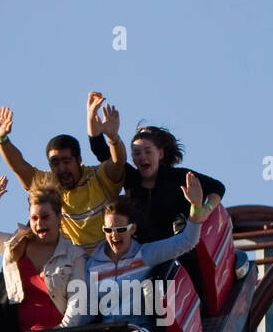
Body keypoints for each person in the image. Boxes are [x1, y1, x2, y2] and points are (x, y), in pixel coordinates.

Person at [83, 94, 226, 243]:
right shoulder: (131, 178)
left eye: (148, 151)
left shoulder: (178, 177)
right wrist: (91, 115)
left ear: (160, 153)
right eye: (136, 153)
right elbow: (101, 151)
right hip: (144, 253)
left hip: (177, 250)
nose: (142, 157)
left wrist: (205, 210)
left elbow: (217, 187)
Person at [0, 101, 127, 250]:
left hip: (106, 260)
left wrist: (113, 138)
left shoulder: (98, 177)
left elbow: (118, 162)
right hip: (74, 265)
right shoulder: (49, 185)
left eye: (66, 161)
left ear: (79, 160)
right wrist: (2, 139)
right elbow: (20, 167)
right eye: (55, 163)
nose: (62, 168)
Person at [72, 188, 209, 331]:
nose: (114, 235)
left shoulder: (145, 254)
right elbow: (86, 310)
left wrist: (196, 207)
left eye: (121, 230)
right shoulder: (92, 265)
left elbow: (187, 241)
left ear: (132, 229)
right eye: (108, 230)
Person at [0, 176, 85, 331]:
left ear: (59, 218)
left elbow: (77, 304)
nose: (39, 223)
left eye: (45, 217)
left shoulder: (74, 255)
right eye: (34, 218)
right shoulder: (16, 246)